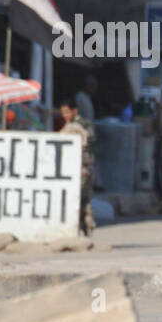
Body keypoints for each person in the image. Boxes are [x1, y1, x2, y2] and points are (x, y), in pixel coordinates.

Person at [60, 97, 96, 236]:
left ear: (75, 111)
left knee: (78, 199)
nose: (64, 116)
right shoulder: (85, 124)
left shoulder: (75, 127)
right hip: (87, 168)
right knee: (85, 199)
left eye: (67, 112)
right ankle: (86, 227)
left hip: (80, 168)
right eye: (63, 112)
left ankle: (81, 227)